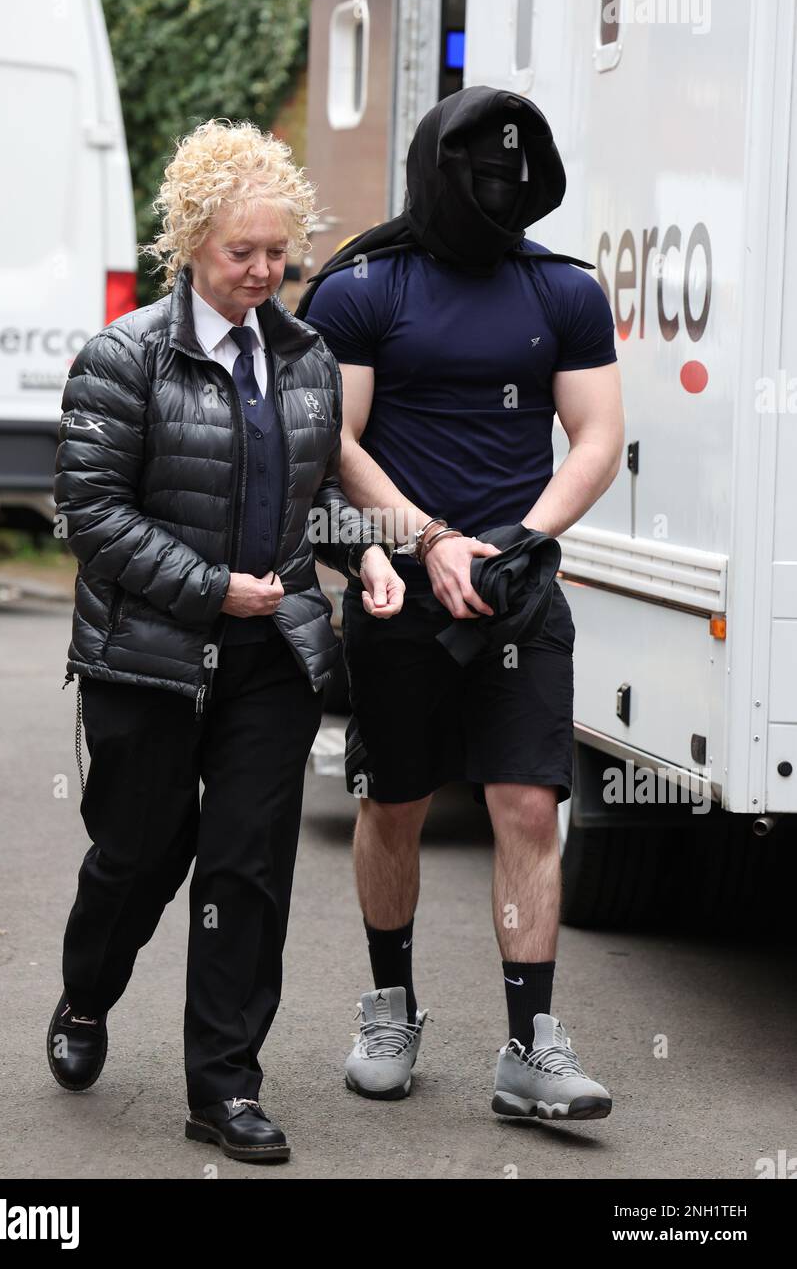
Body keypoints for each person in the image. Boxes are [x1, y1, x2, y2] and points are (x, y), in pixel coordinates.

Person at [47, 118, 403, 1163]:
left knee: (244, 869)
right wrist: (213, 591)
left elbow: (314, 492)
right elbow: (92, 515)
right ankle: (84, 998)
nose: (262, 271)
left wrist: (365, 552)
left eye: (275, 251)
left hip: (271, 659)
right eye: (239, 252)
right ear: (191, 244)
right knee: (137, 855)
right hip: (146, 659)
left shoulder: (305, 357)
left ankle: (224, 1088)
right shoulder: (123, 357)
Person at [298, 86, 624, 1120]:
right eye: (478, 170)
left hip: (517, 594)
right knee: (392, 801)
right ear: (436, 170)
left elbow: (596, 435)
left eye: (515, 173)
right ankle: (388, 1007)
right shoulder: (359, 285)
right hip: (398, 589)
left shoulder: (562, 292)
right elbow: (334, 442)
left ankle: (529, 1050)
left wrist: (523, 542)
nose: (498, 190)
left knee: (526, 802)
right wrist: (429, 540)